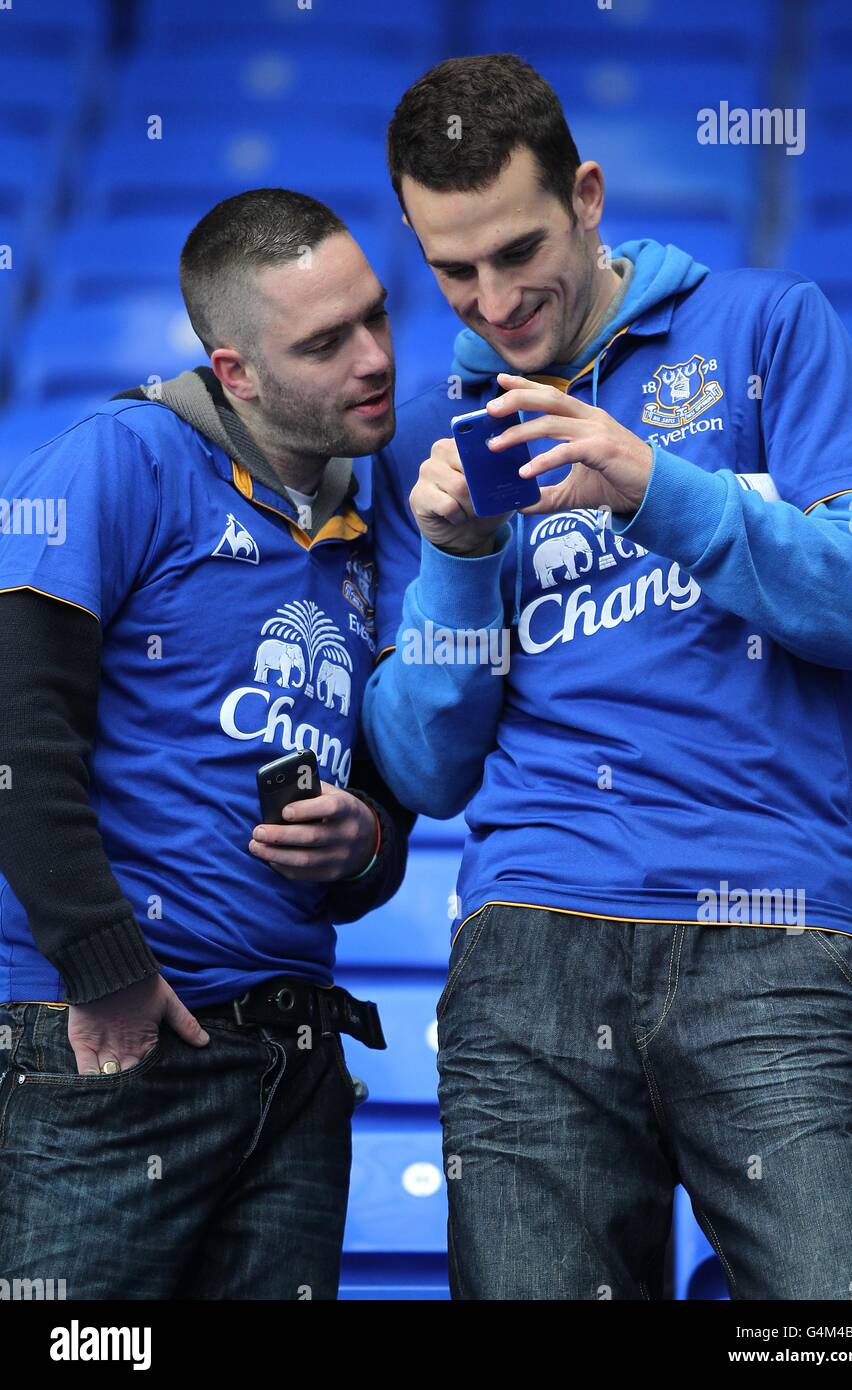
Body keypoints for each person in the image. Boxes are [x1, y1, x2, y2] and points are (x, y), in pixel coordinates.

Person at [362, 54, 852, 1300]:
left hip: (770, 926)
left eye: (519, 252)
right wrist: (455, 561)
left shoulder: (769, 326)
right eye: (454, 269)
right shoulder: (431, 426)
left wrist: (657, 488)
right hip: (531, 934)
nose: (494, 302)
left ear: (589, 196)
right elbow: (426, 769)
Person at [0, 187, 413, 1300]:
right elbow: (13, 727)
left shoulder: (377, 523)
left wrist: (365, 841)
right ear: (236, 371)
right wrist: (107, 968)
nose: (373, 358)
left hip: (294, 1061)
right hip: (114, 1045)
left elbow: (384, 821)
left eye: (376, 317)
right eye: (324, 343)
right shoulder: (120, 459)